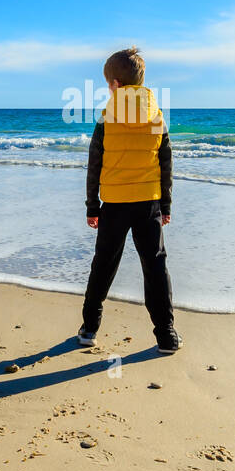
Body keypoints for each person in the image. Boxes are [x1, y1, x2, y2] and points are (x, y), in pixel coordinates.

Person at [78, 47, 180, 354]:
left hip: (114, 204)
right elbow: (166, 162)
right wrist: (166, 205)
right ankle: (166, 334)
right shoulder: (157, 116)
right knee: (155, 266)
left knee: (104, 264)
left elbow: (94, 163)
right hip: (148, 203)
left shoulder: (107, 118)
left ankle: (89, 328)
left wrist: (92, 205)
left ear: (114, 85)